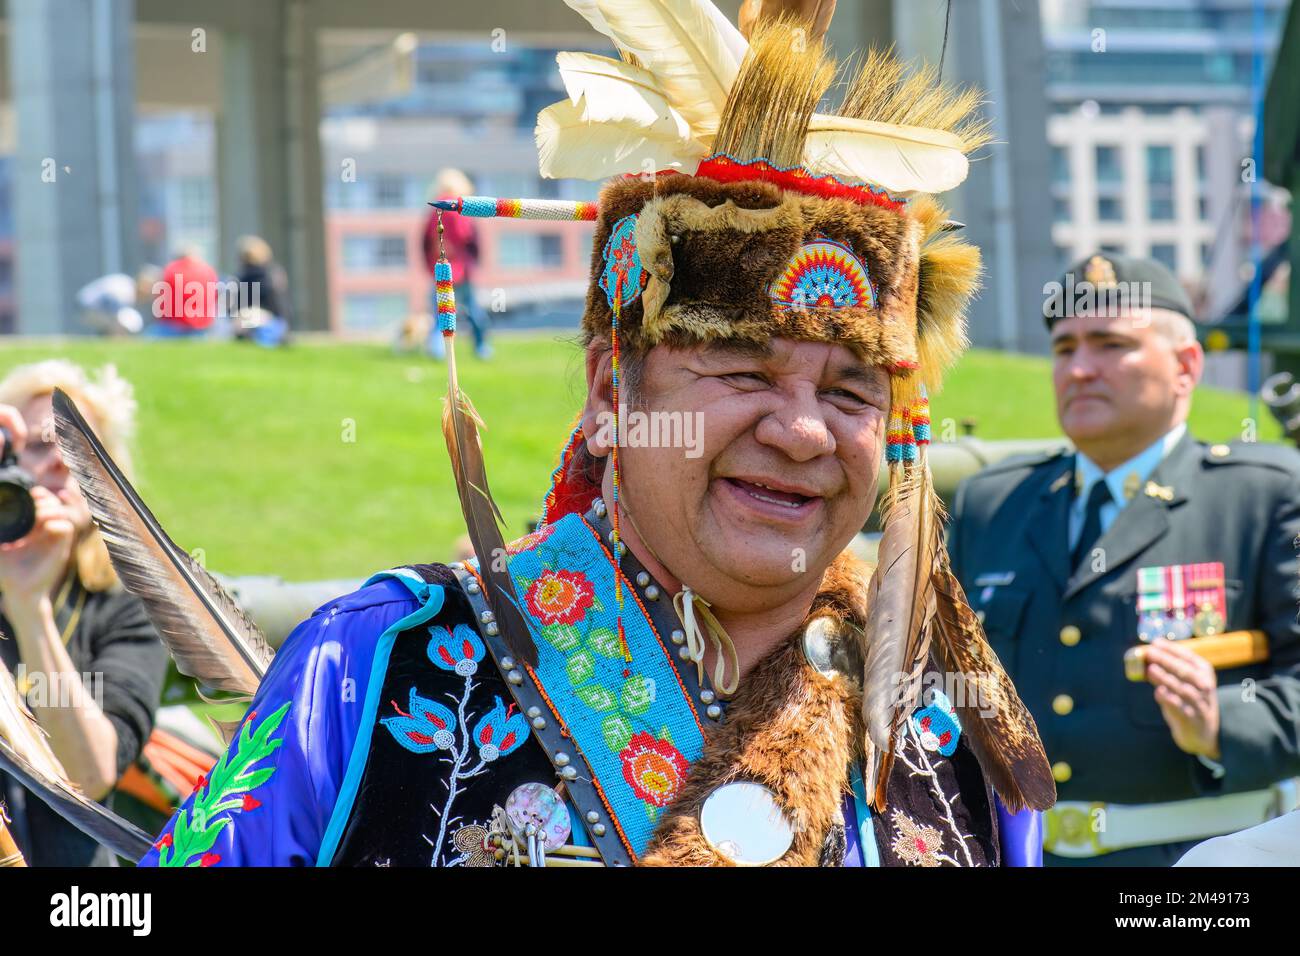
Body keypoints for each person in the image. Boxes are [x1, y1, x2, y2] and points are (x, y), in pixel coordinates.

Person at [137, 1, 1053, 868]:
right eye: (744, 373)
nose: (806, 430)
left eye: (853, 391)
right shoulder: (377, 669)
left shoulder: (953, 729)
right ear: (612, 390)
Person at [948, 252, 1300, 865]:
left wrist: (1225, 724)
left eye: (1111, 345)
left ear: (1187, 366)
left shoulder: (1266, 495)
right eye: (1064, 349)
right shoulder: (993, 502)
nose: (1080, 369)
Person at [0, 361, 168, 866]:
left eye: (77, 448)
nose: (58, 464)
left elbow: (87, 777)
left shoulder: (129, 604)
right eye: (36, 446)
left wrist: (30, 605)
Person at [422, 168, 491, 360]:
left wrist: (429, 267)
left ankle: (437, 349)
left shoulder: (433, 213)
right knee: (472, 312)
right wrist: (473, 264)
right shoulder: (461, 213)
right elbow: (471, 241)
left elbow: (425, 243)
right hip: (462, 272)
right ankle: (481, 347)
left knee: (439, 313)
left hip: (440, 271)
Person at [232, 235, 292, 347]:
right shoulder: (274, 274)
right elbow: (281, 306)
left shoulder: (241, 277)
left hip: (253, 319)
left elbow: (235, 307)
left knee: (246, 320)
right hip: (272, 320)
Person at [151, 246, 218, 337]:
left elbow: (161, 300)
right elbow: (214, 297)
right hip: (203, 328)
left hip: (175, 327)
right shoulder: (209, 271)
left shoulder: (171, 269)